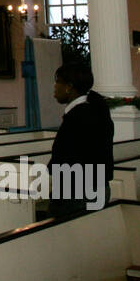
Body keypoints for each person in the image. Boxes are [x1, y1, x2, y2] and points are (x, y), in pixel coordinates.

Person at [48, 63, 114, 217]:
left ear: (69, 87)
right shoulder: (98, 110)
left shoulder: (78, 116)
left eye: (58, 81)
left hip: (78, 193)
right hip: (98, 187)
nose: (55, 86)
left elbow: (67, 157)